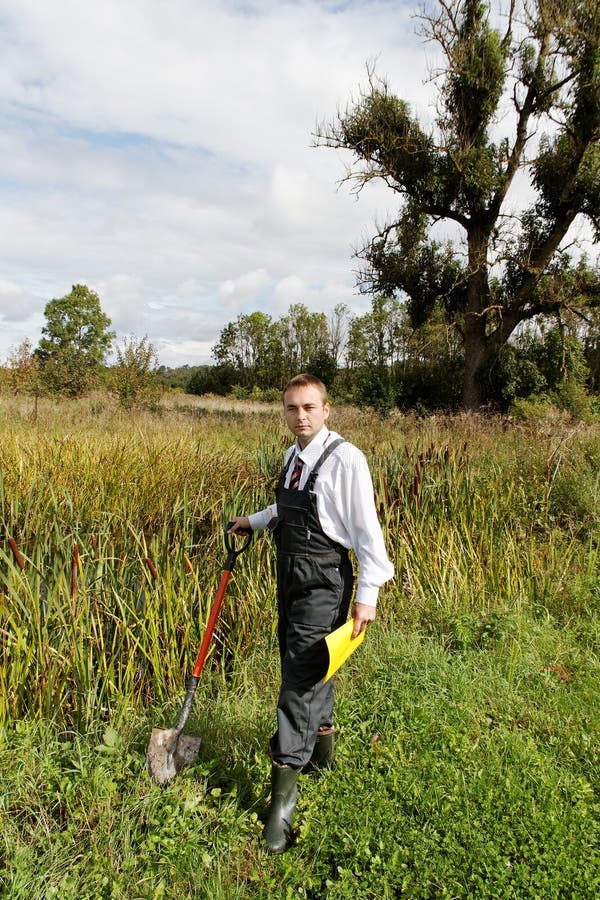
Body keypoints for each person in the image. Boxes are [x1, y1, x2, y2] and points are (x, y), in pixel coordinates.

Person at [228, 373, 394, 854]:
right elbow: (285, 509)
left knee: (298, 679)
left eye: (308, 407)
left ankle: (282, 801)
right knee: (314, 660)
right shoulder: (291, 457)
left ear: (326, 409)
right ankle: (323, 753)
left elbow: (367, 535)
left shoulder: (346, 459)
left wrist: (368, 596)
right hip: (290, 579)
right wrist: (254, 522)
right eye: (291, 408)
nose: (300, 416)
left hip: (324, 581)